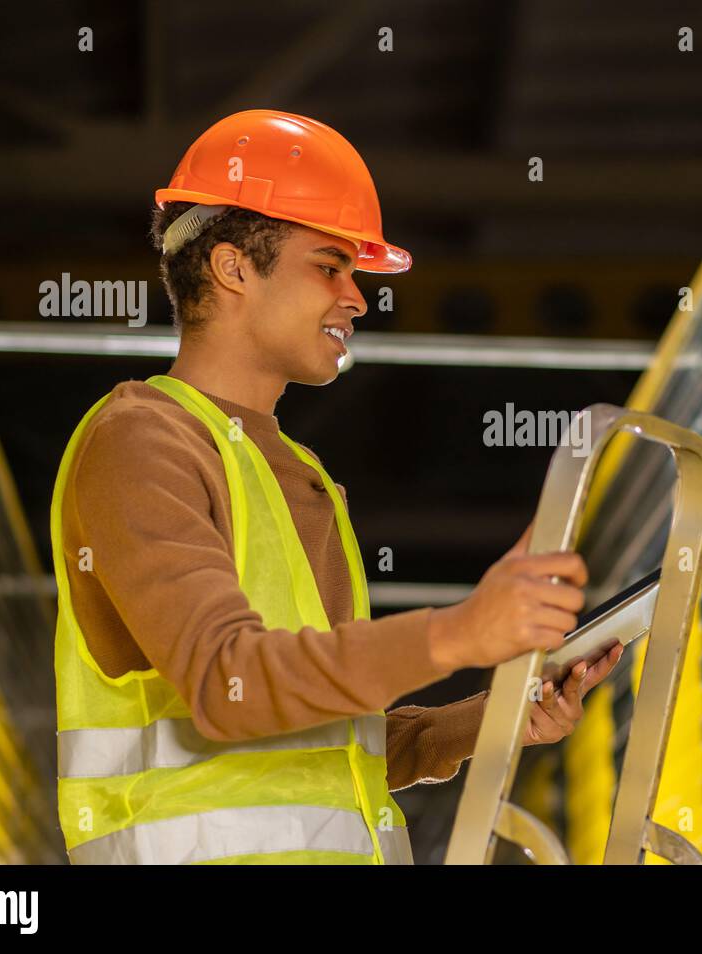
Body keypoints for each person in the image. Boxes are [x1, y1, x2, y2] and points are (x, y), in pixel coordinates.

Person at [50, 109, 623, 865]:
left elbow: (327, 746)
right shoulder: (140, 441)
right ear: (232, 269)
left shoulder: (302, 475)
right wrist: (457, 633)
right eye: (329, 266)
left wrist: (498, 713)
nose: (357, 298)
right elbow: (228, 684)